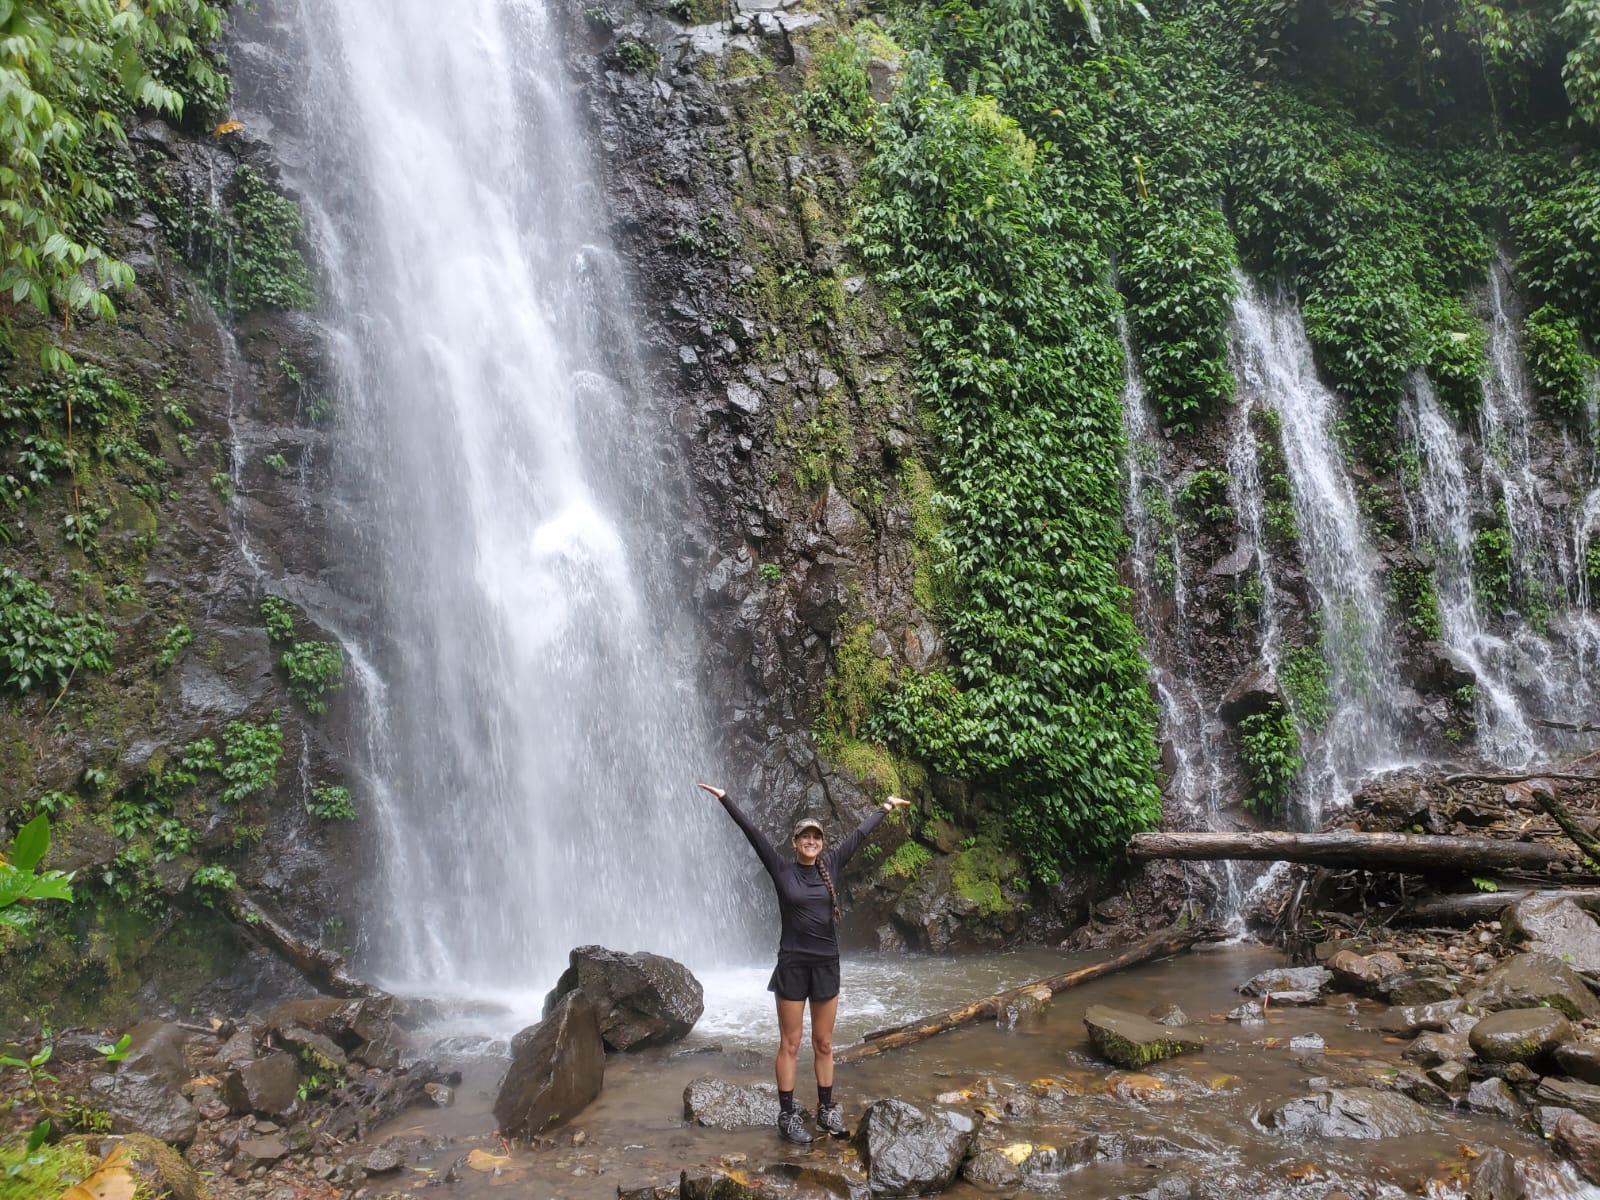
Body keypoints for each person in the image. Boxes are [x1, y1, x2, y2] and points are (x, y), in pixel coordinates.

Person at [695, 782, 911, 1143]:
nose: (811, 841)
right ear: (795, 843)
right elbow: (752, 833)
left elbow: (860, 834)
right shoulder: (782, 870)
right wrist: (725, 798)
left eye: (816, 837)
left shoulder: (832, 864)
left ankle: (826, 1110)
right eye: (804, 837)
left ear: (821, 843)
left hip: (827, 964)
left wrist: (886, 807)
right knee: (790, 1043)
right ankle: (787, 1115)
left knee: (824, 1043)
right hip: (793, 966)